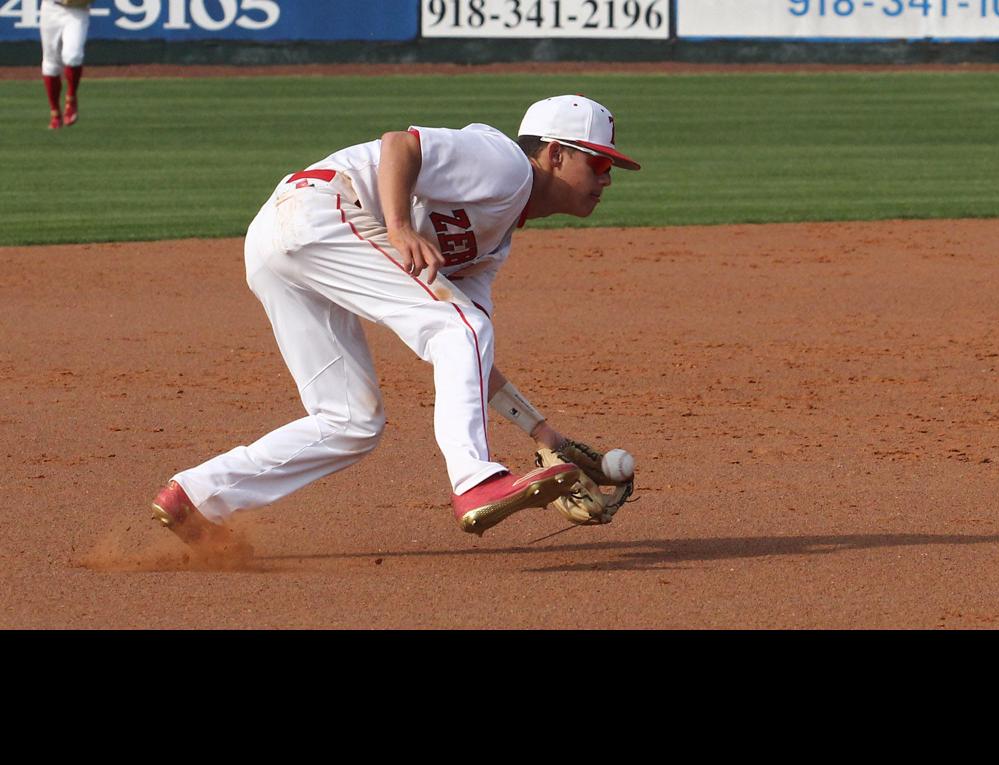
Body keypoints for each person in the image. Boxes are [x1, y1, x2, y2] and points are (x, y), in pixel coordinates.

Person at [151, 94, 641, 542]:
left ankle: (198, 496)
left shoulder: (493, 244)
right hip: (321, 209)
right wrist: (401, 226)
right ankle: (474, 480)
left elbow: (470, 358)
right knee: (461, 325)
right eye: (598, 163)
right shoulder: (508, 164)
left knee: (352, 421)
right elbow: (399, 146)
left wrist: (544, 435)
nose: (606, 180)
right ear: (555, 154)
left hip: (285, 239)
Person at [41, 0, 92, 130]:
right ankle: (55, 113)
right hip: (51, 9)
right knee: (50, 64)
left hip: (77, 10)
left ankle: (71, 98)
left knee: (73, 56)